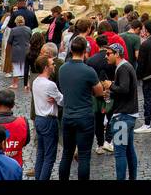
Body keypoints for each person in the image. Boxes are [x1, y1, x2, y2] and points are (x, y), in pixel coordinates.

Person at [58, 35, 108, 180]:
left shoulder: (62, 69)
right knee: (84, 155)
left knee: (67, 154)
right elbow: (99, 92)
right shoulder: (88, 71)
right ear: (85, 51)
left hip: (68, 116)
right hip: (85, 116)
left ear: (71, 50)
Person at [105, 43, 139, 180]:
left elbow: (124, 89)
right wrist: (111, 93)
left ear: (117, 54)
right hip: (128, 116)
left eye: (108, 54)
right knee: (129, 151)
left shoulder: (123, 68)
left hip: (122, 118)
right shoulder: (125, 66)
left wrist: (110, 85)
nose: (106, 57)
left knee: (120, 153)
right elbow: (125, 91)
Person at [30, 55, 61, 180]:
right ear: (46, 67)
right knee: (49, 157)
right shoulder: (50, 85)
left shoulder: (36, 81)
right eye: (52, 64)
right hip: (49, 120)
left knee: (41, 154)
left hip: (39, 119)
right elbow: (62, 101)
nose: (54, 65)